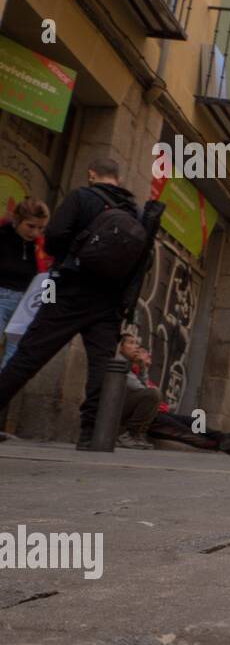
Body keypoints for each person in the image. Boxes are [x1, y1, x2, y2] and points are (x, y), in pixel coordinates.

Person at [0, 160, 152, 448]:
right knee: (100, 367)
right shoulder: (135, 211)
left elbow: (54, 237)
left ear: (91, 174)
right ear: (118, 178)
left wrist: (72, 254)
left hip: (68, 291)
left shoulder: (82, 197)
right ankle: (90, 434)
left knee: (28, 356)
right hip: (108, 302)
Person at [125, 344, 230, 454]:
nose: (147, 354)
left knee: (192, 422)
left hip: (156, 414)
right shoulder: (126, 372)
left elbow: (147, 392)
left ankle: (223, 438)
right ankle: (221, 445)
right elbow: (145, 392)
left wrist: (142, 368)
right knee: (184, 431)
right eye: (142, 351)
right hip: (151, 418)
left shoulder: (139, 374)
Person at [0, 198, 51, 369]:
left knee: (14, 356)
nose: (35, 233)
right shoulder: (3, 235)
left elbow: (49, 277)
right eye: (31, 226)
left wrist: (48, 305)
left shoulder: (43, 247)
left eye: (41, 228)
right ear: (17, 219)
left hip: (27, 305)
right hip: (1, 296)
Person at [117, 335, 160, 449]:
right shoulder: (119, 361)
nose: (136, 347)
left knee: (153, 394)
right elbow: (139, 388)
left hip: (122, 406)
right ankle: (129, 436)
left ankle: (138, 436)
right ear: (120, 347)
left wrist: (142, 367)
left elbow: (144, 387)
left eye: (136, 343)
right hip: (113, 409)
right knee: (153, 394)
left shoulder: (129, 363)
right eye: (131, 343)